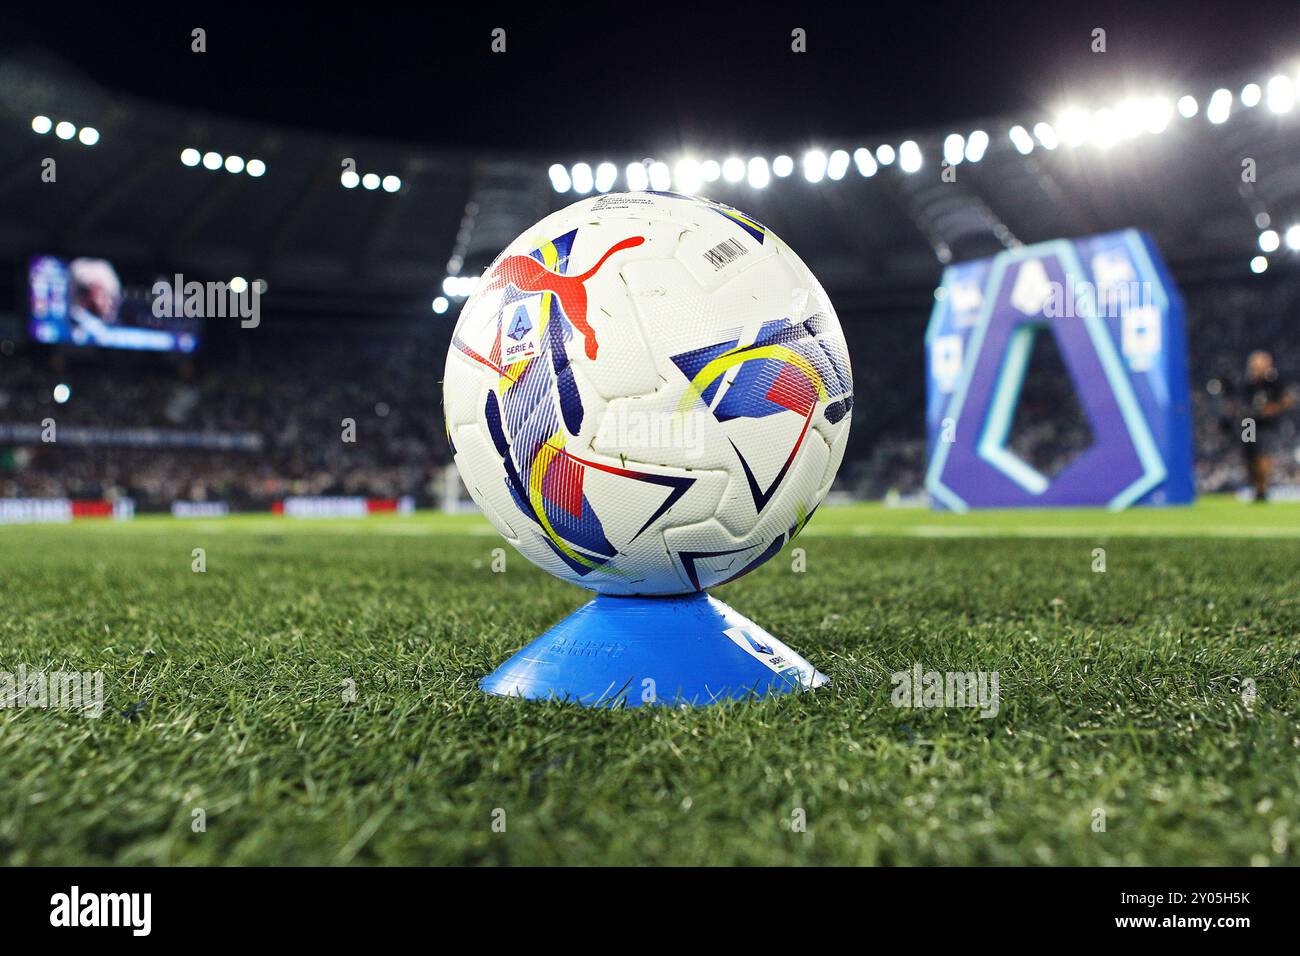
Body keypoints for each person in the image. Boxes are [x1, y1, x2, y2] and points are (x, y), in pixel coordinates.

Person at [1238, 350, 1295, 501]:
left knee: (1262, 453)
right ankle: (1256, 486)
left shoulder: (1274, 380)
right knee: (1249, 456)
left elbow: (1287, 399)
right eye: (1253, 364)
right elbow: (1239, 401)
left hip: (1266, 423)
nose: (1255, 367)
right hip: (1248, 423)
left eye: (1258, 364)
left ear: (1267, 364)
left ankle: (1263, 489)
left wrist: (1273, 409)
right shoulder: (1248, 381)